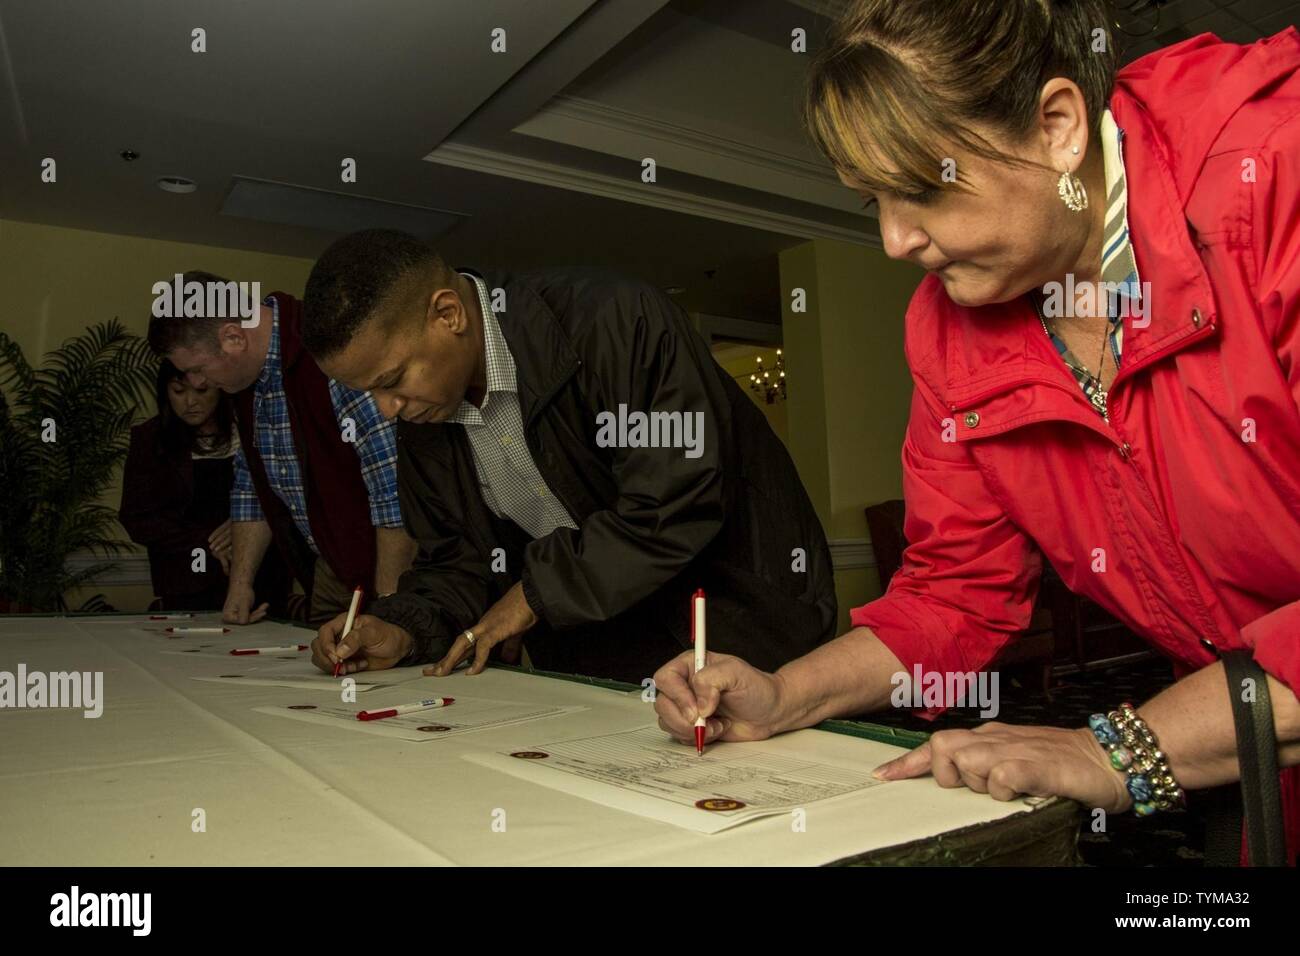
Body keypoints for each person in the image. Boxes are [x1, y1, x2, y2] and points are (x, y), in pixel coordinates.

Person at [653, 1, 1300, 860]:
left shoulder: (1275, 173)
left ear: (1060, 127)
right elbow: (954, 592)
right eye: (874, 199)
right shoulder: (946, 335)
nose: (893, 239)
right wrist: (786, 693)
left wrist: (1119, 748)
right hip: (1253, 737)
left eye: (923, 187)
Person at [298, 229, 837, 685]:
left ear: (448, 314)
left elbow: (671, 503)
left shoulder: (616, 321)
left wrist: (533, 592)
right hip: (599, 654)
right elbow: (457, 563)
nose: (386, 410)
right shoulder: (425, 416)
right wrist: (401, 626)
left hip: (738, 624)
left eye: (391, 381)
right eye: (367, 393)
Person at [148, 271, 416, 626]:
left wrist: (389, 610)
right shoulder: (242, 383)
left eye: (197, 369)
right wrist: (240, 585)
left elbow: (393, 489)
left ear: (233, 337)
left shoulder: (330, 346)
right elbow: (250, 487)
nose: (197, 383)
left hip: (399, 575)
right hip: (334, 574)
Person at [120, 359, 289, 613]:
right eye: (179, 391)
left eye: (201, 391)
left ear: (220, 388)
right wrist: (209, 541)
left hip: (263, 575)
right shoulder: (150, 439)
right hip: (185, 579)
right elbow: (137, 518)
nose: (190, 402)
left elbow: (285, 496)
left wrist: (243, 528)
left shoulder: (251, 430)